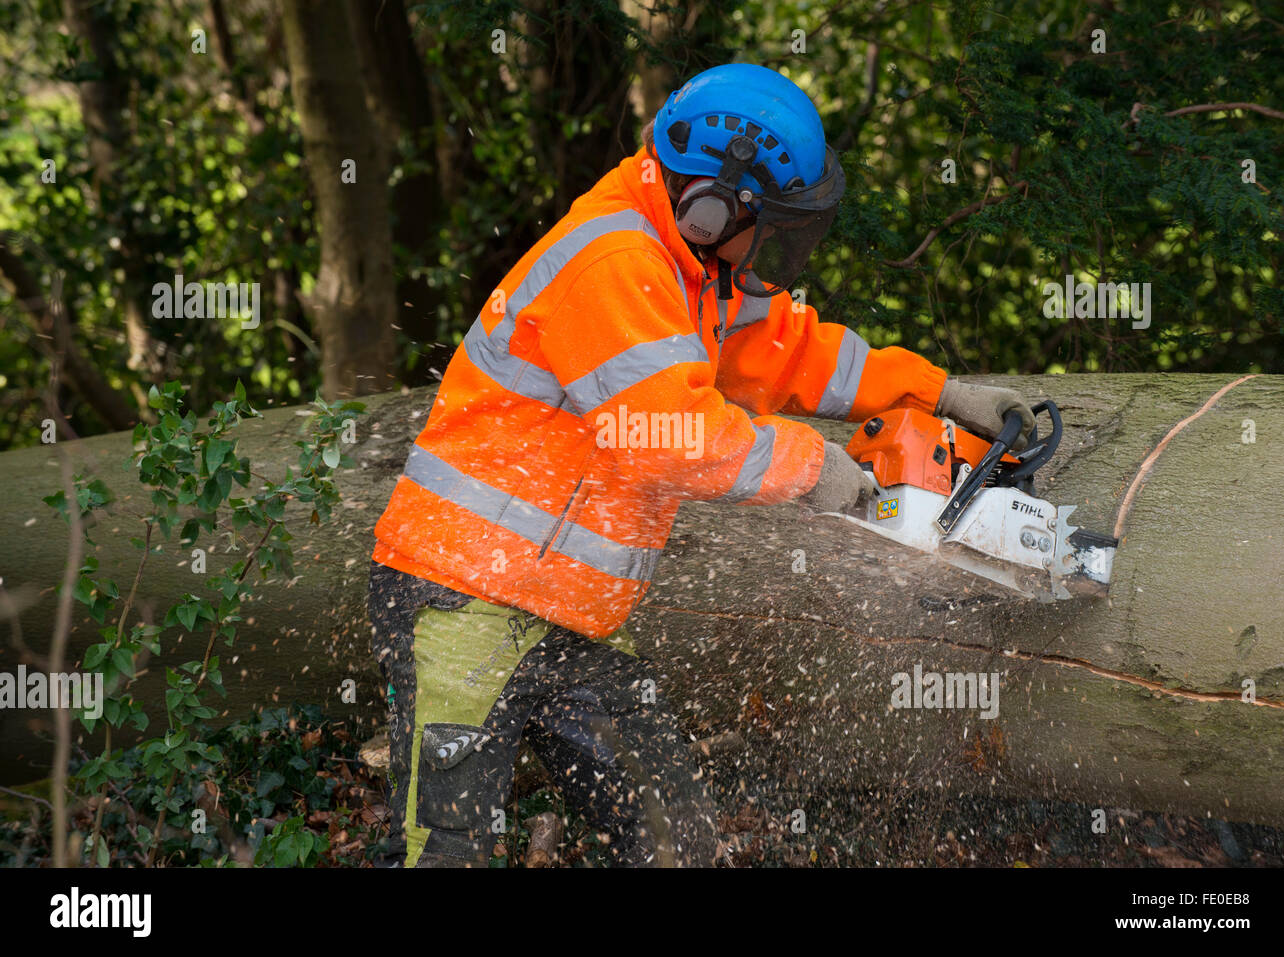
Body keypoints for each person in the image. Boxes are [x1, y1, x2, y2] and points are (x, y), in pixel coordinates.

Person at [368, 62, 1034, 867]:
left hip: (565, 620)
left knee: (669, 834)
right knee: (447, 851)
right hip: (460, 600)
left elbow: (792, 353)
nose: (778, 248)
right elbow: (669, 436)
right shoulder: (613, 263)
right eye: (774, 224)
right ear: (714, 205)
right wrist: (814, 468)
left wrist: (942, 391)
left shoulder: (695, 267)